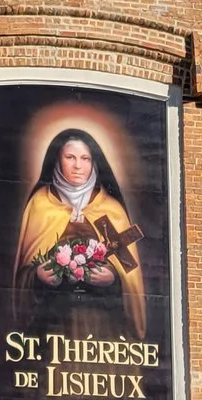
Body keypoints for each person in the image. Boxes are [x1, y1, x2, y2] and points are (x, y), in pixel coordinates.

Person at [13, 128, 146, 340]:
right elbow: (20, 275)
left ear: (94, 162)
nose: (77, 166)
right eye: (70, 157)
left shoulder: (111, 209)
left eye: (85, 158)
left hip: (102, 328)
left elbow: (131, 280)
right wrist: (36, 276)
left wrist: (113, 279)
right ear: (57, 160)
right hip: (50, 326)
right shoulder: (40, 205)